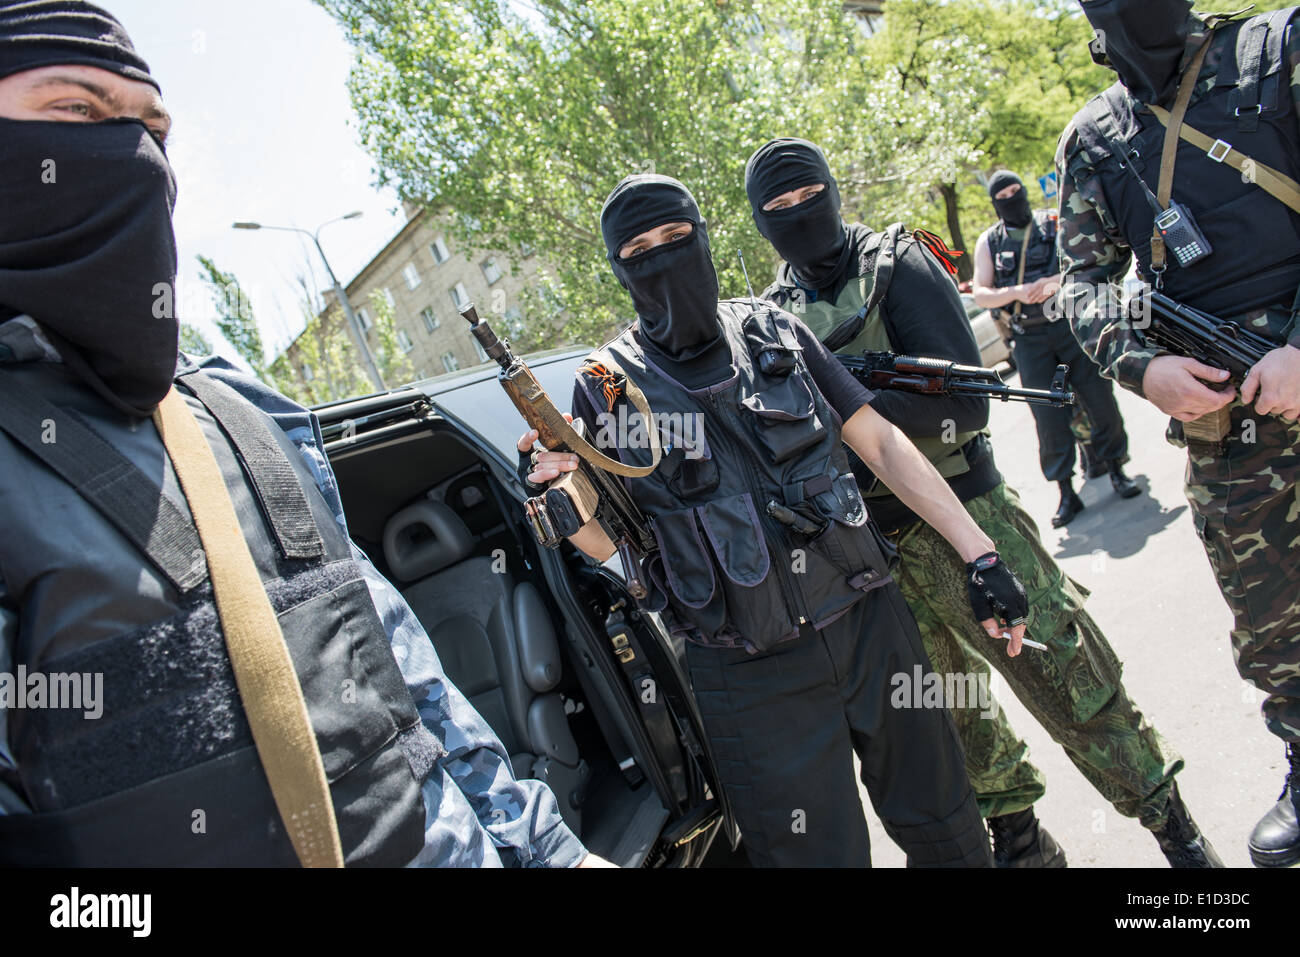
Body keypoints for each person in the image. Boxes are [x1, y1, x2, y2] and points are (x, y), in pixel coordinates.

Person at [0, 0, 604, 868]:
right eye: (77, 112)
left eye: (151, 127)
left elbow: (407, 682)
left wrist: (555, 852)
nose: (135, 156)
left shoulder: (239, 409)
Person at [519, 172, 1033, 867]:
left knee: (951, 831)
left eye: (676, 238)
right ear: (618, 269)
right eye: (639, 250)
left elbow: (878, 440)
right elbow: (611, 540)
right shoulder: (608, 383)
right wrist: (563, 491)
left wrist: (981, 554)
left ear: (702, 237)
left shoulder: (773, 328)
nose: (663, 259)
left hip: (871, 626)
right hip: (747, 675)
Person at [744, 136, 1220, 867]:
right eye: (776, 208)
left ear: (833, 192)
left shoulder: (896, 263)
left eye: (807, 196)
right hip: (874, 546)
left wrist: (846, 421)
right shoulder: (774, 316)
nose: (796, 215)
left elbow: (963, 409)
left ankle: (1172, 828)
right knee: (948, 709)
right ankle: (1023, 841)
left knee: (1068, 677)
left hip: (968, 514)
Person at [1058, 0, 1300, 867]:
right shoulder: (1093, 137)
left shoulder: (1279, 50)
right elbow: (1078, 284)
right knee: (1273, 616)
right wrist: (1138, 368)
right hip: (1228, 427)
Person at [972, 170, 1140, 528]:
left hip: (1071, 327)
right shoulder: (990, 241)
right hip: (1029, 339)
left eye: (1016, 190)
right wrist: (1018, 292)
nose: (1012, 198)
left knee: (1100, 400)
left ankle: (1116, 469)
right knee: (1047, 418)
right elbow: (980, 292)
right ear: (993, 202)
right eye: (1003, 195)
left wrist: (1052, 283)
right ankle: (1066, 492)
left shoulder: (1053, 222)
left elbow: (1088, 261)